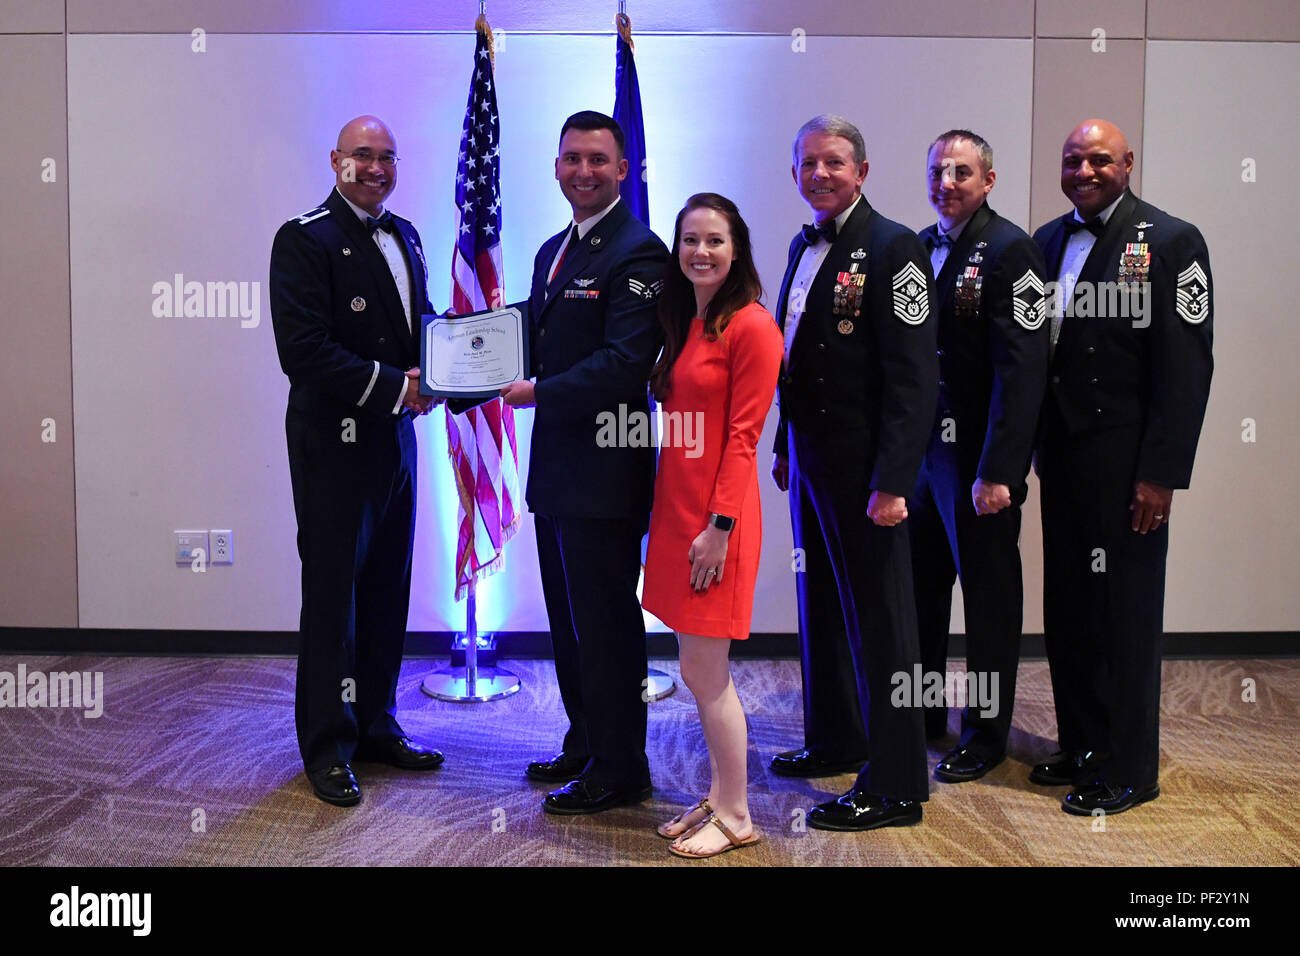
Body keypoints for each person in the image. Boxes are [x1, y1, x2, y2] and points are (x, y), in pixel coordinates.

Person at [1032, 119, 1213, 815]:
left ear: (1128, 163)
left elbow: (1187, 366)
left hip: (1130, 466)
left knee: (1127, 616)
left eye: (1099, 159)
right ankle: (1083, 744)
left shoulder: (1172, 241)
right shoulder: (1046, 241)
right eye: (1073, 159)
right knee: (1071, 610)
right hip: (1065, 458)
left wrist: (1161, 474)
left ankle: (1132, 767)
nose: (1085, 170)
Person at [268, 115, 445, 808]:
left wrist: (450, 367)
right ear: (336, 160)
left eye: (387, 158)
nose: (375, 168)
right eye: (362, 156)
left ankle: (374, 722)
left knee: (384, 596)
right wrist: (397, 386)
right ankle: (327, 744)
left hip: (395, 443)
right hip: (334, 446)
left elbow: (421, 323)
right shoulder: (304, 238)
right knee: (333, 599)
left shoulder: (407, 235)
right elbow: (303, 352)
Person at [770, 115, 939, 830]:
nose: (820, 175)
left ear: (862, 171)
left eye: (834, 163)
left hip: (870, 471)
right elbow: (795, 357)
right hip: (812, 460)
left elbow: (914, 377)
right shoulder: (800, 245)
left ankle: (898, 782)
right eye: (808, 163)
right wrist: (784, 444)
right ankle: (837, 735)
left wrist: (896, 480)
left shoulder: (895, 247)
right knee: (822, 614)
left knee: (883, 623)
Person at [500, 111, 668, 814]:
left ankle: (621, 766)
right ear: (558, 167)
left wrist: (534, 392)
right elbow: (534, 336)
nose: (584, 171)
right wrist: (461, 360)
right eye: (572, 159)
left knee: (606, 624)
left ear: (622, 170)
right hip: (559, 473)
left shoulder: (639, 254)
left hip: (605, 471)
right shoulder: (553, 251)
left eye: (599, 159)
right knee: (569, 622)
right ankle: (586, 739)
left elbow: (625, 365)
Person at [641, 194, 783, 858]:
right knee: (697, 669)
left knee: (706, 672)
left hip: (714, 522)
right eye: (690, 239)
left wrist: (719, 526)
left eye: (715, 240)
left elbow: (746, 438)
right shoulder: (691, 321)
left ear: (737, 248)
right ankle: (717, 795)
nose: (701, 251)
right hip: (677, 514)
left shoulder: (753, 325)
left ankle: (737, 814)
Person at [911, 130, 1049, 781]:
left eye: (962, 172)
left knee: (989, 600)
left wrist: (1002, 469)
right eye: (940, 170)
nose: (948, 182)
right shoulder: (914, 246)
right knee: (921, 591)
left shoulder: (1011, 250)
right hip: (918, 459)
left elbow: (1023, 371)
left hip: (976, 461)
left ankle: (986, 733)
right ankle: (925, 713)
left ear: (987, 181)